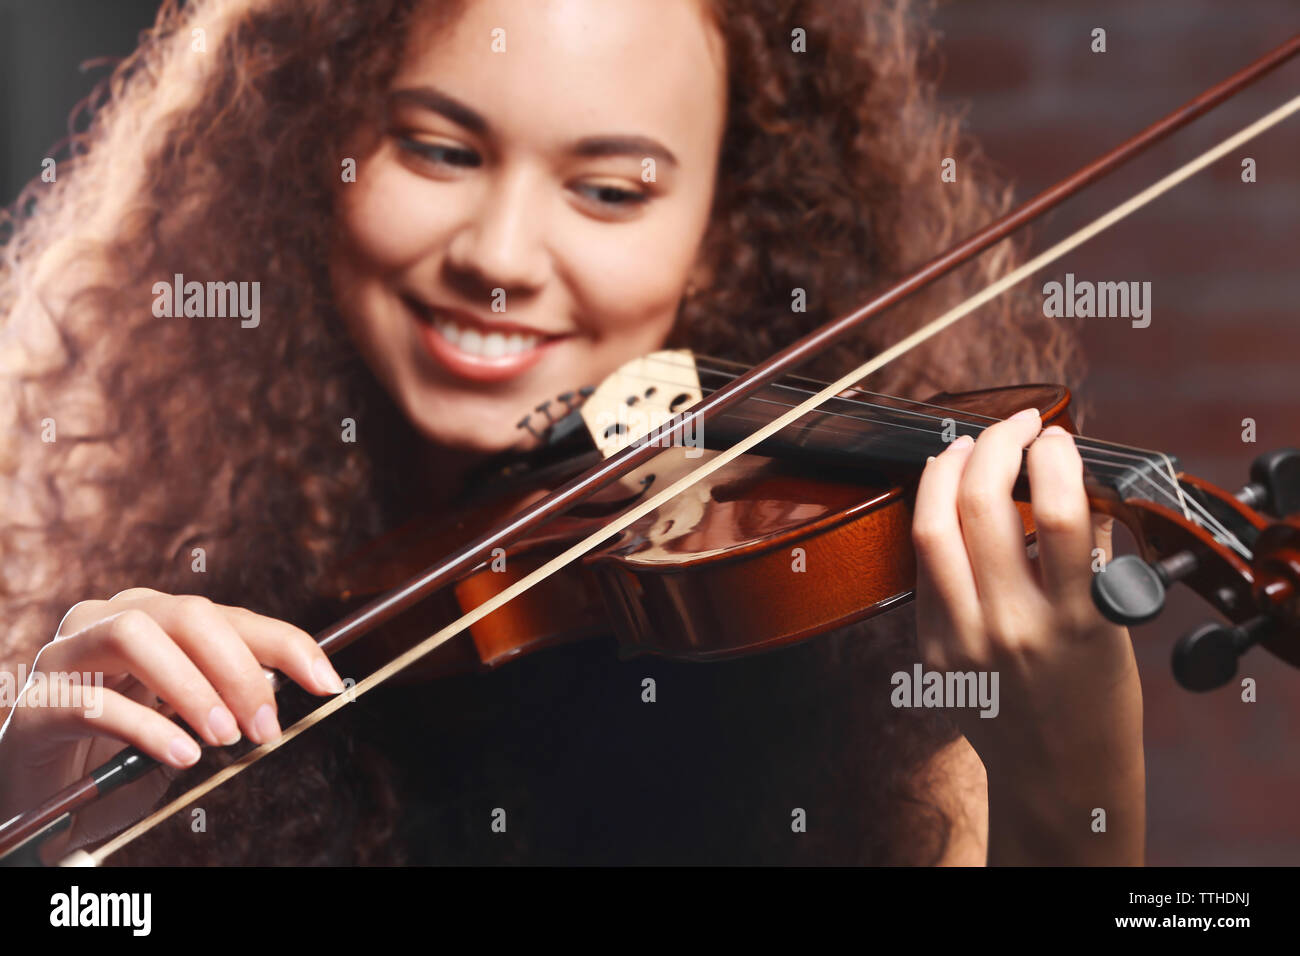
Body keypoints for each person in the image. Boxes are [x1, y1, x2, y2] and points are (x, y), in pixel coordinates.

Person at [0, 0, 1142, 865]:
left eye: (608, 190)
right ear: (312, 154)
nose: (498, 255)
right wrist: (39, 835)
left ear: (722, 226)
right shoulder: (122, 577)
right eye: (441, 151)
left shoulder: (861, 734)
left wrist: (1076, 782)